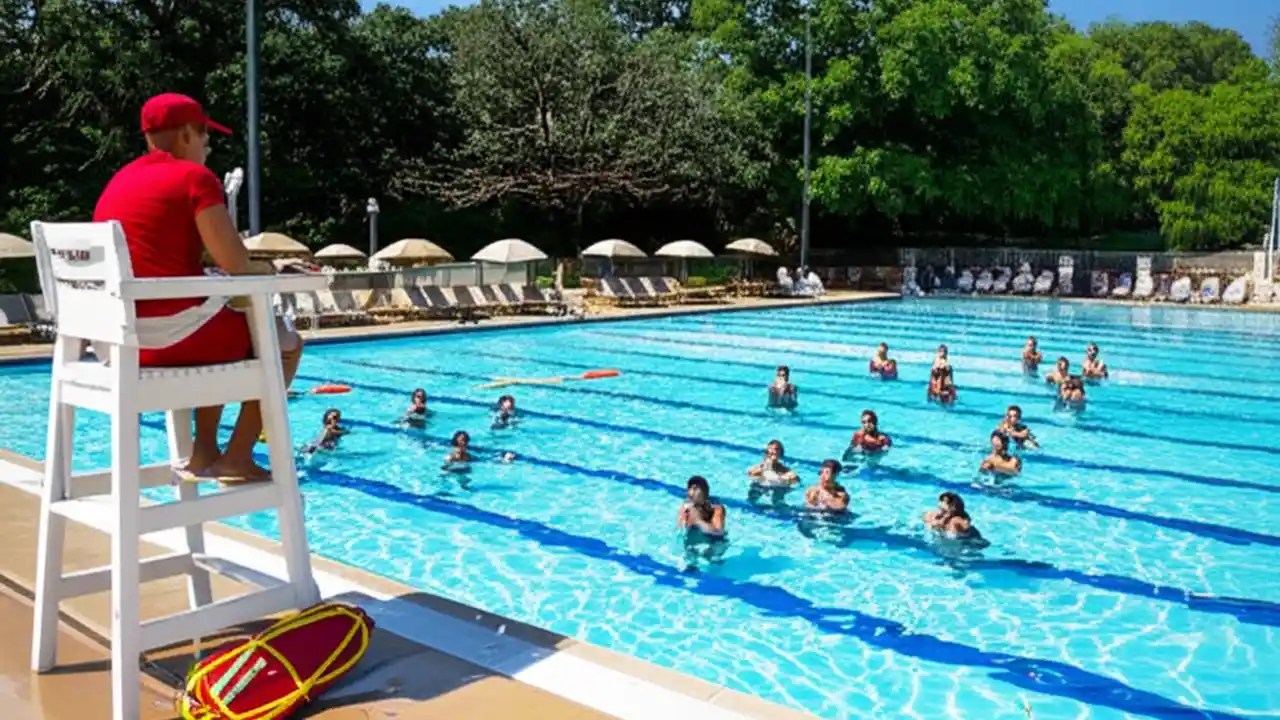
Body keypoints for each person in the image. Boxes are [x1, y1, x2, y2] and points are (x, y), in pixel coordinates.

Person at [94, 93, 304, 483]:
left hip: (120, 344)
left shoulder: (120, 180)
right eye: (205, 134)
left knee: (224, 320)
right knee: (284, 342)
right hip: (171, 341)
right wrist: (273, 267)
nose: (208, 144)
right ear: (187, 134)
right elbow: (236, 264)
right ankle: (237, 455)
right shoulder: (194, 178)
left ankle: (203, 450)